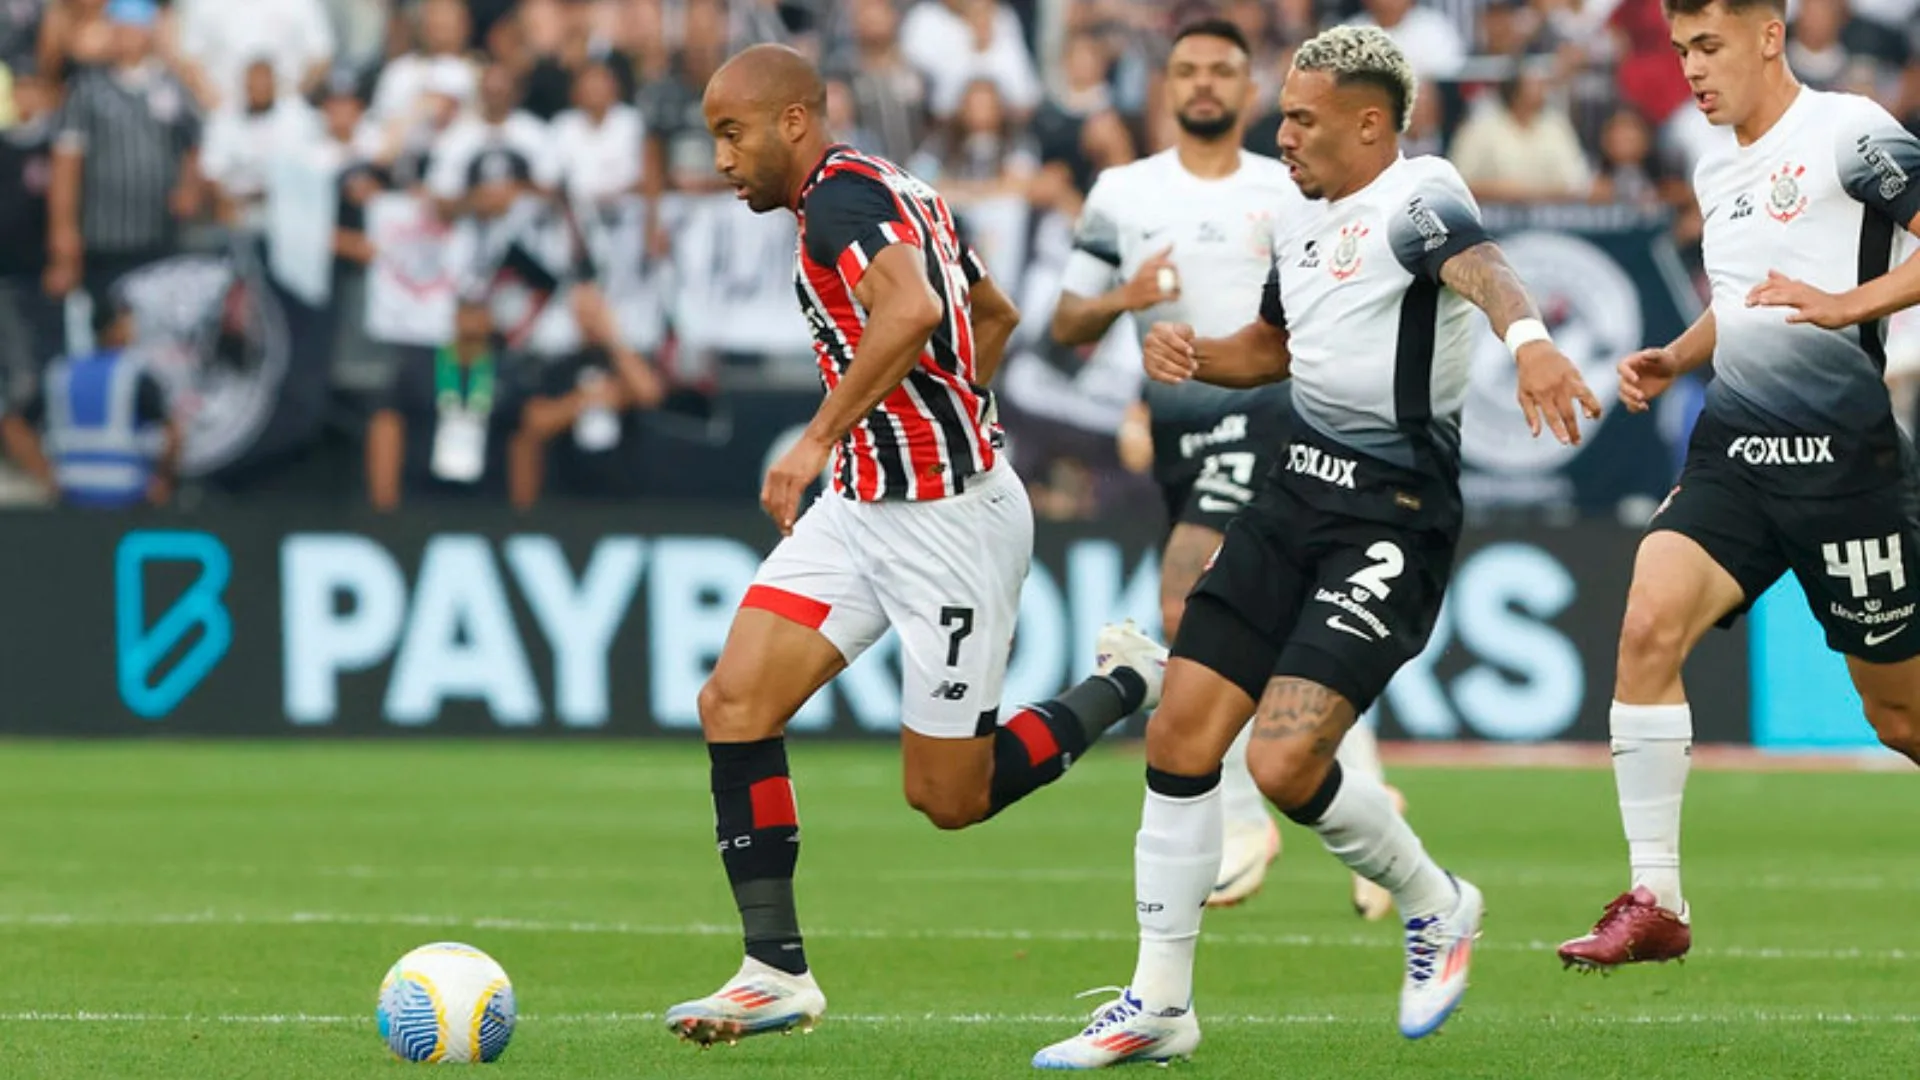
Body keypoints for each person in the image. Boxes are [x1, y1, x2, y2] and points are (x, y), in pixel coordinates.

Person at [1031, 26, 1602, 1067]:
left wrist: (1534, 347)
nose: (1279, 131)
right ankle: (1159, 1003)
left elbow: (1483, 267)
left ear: (1370, 123)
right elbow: (1275, 349)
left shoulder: (1421, 190)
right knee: (1180, 739)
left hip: (1391, 517)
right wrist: (1194, 352)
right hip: (1289, 495)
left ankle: (1438, 904)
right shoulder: (1298, 216)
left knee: (1287, 764)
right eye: (1282, 113)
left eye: (1300, 116)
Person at [662, 44, 1169, 1048]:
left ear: (794, 122)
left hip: (946, 525)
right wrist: (940, 409)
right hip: (863, 508)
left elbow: (917, 309)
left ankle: (1123, 684)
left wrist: (820, 438)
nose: (720, 158)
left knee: (950, 795)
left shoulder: (840, 204)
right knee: (734, 702)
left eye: (732, 133)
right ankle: (774, 971)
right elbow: (994, 312)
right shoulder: (890, 188)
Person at [1557, 0, 1920, 971]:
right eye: (1680, 52)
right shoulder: (1716, 163)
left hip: (1847, 465)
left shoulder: (1850, 133)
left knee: (1900, 717)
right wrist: (1677, 357)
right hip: (1736, 451)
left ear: (1770, 34)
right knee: (1645, 627)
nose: (1692, 71)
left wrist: (1848, 305)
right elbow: (1746, 296)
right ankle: (1656, 902)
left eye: (1708, 47)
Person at [1051, 15, 1406, 918]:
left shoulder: (1288, 187)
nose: (1203, 84)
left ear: (1250, 91)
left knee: (1188, 598)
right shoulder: (1122, 193)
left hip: (1276, 419)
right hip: (1180, 439)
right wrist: (1127, 303)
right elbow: (1064, 324)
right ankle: (1364, 803)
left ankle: (1247, 823)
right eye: (1187, 70)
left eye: (1221, 70)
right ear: (1163, 87)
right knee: (1268, 627)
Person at [0, 288, 177, 508]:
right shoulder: (134, 374)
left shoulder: (59, 373)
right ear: (115, 327)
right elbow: (174, 432)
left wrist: (46, 475)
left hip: (71, 495)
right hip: (129, 495)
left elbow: (12, 426)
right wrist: (163, 479)